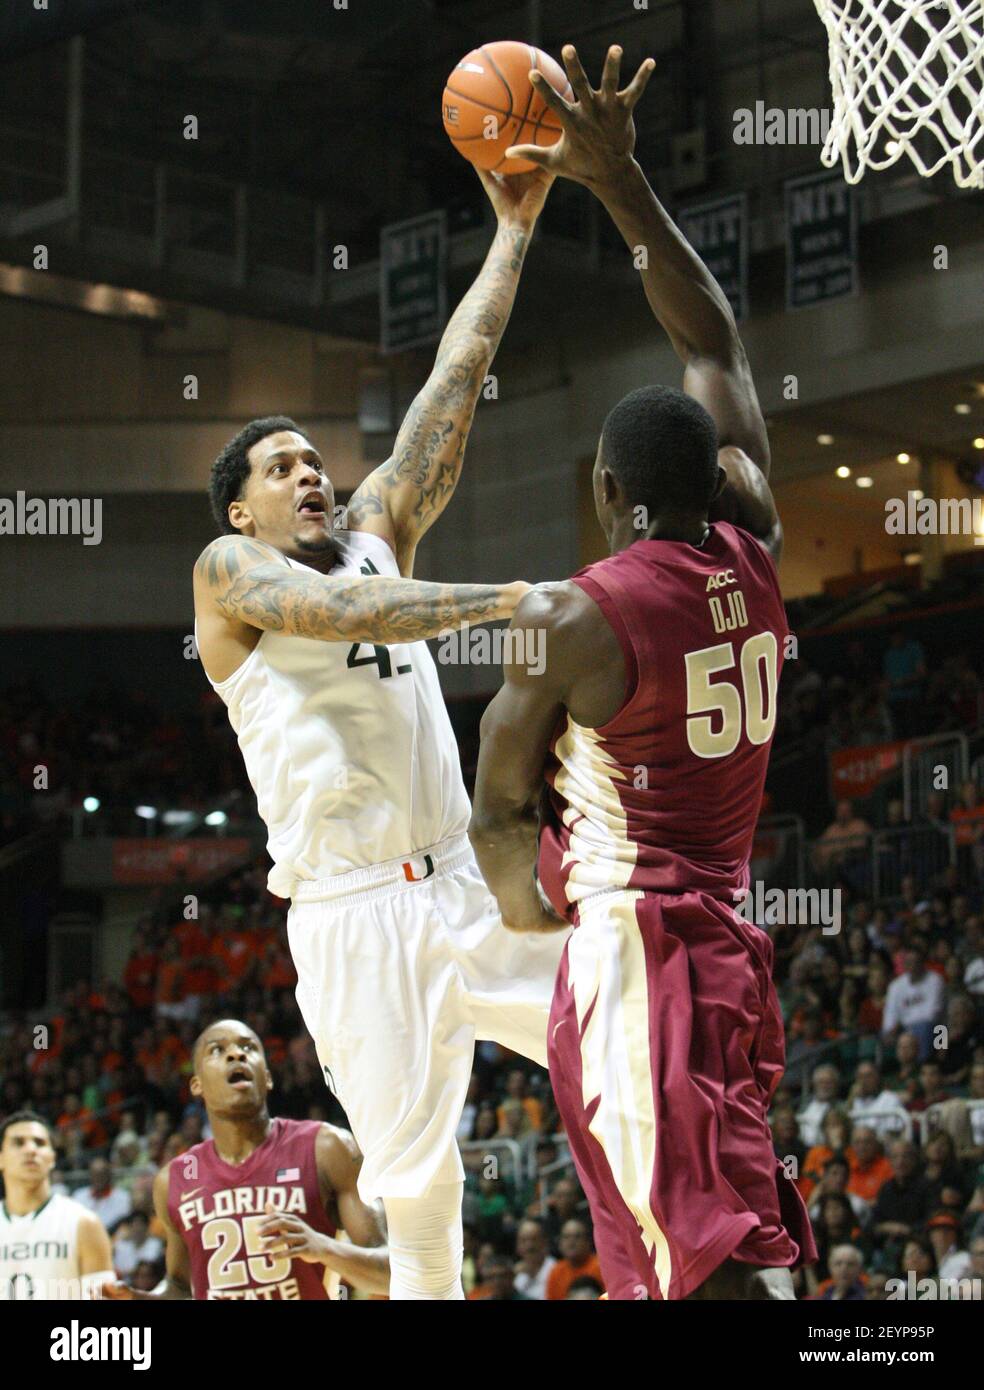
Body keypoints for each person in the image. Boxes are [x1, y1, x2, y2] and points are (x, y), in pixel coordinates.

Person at [192, 159, 571, 1301]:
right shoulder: (227, 574)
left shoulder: (374, 526)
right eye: (280, 466)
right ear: (241, 508)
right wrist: (498, 603)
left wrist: (513, 227)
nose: (310, 472)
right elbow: (347, 612)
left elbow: (455, 379)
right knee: (421, 1193)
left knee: (619, 1021)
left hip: (464, 878)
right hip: (352, 917)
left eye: (314, 458)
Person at [469, 43, 813, 1301]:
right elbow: (711, 334)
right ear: (719, 477)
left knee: (697, 1272)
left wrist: (539, 899)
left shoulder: (574, 617)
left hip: (635, 955)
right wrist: (622, 185)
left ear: (608, 494)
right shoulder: (761, 542)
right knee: (693, 1258)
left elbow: (496, 820)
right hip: (726, 941)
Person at [105, 1020, 388, 1300]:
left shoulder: (327, 1148)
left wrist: (322, 1248)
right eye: (216, 1050)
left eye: (248, 1047)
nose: (236, 1054)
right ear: (196, 1084)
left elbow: (394, 1272)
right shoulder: (173, 1180)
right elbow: (179, 1288)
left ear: (266, 1076)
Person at [0, 1111, 113, 1299]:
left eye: (40, 1142)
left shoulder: (83, 1223)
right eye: (18, 1142)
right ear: (1, 1158)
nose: (30, 1149)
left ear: (52, 1158)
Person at [546, 1219, 605, 1300]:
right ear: (560, 1243)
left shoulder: (602, 1267)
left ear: (588, 1242)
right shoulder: (556, 1271)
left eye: (577, 1237)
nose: (571, 1242)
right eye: (566, 1237)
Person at [513, 1217, 556, 1300]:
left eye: (534, 1239)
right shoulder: (517, 1277)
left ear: (545, 1242)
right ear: (517, 1246)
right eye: (523, 1240)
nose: (529, 1246)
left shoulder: (556, 1270)